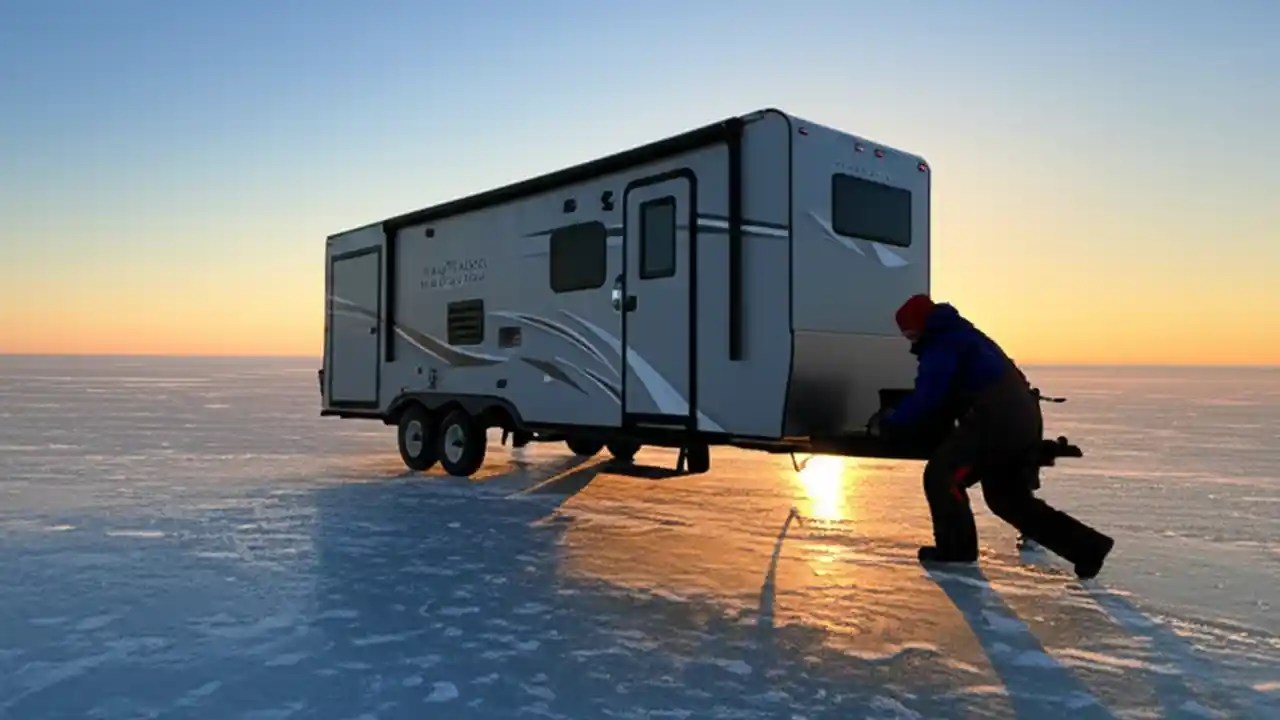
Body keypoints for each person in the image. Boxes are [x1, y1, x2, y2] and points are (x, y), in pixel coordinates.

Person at [876, 294, 1114, 579]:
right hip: (1021, 415)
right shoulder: (965, 334)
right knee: (1006, 497)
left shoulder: (943, 342)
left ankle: (956, 552)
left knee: (943, 475)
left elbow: (930, 392)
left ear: (920, 325)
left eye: (910, 332)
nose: (909, 340)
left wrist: (894, 419)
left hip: (996, 419)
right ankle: (1088, 548)